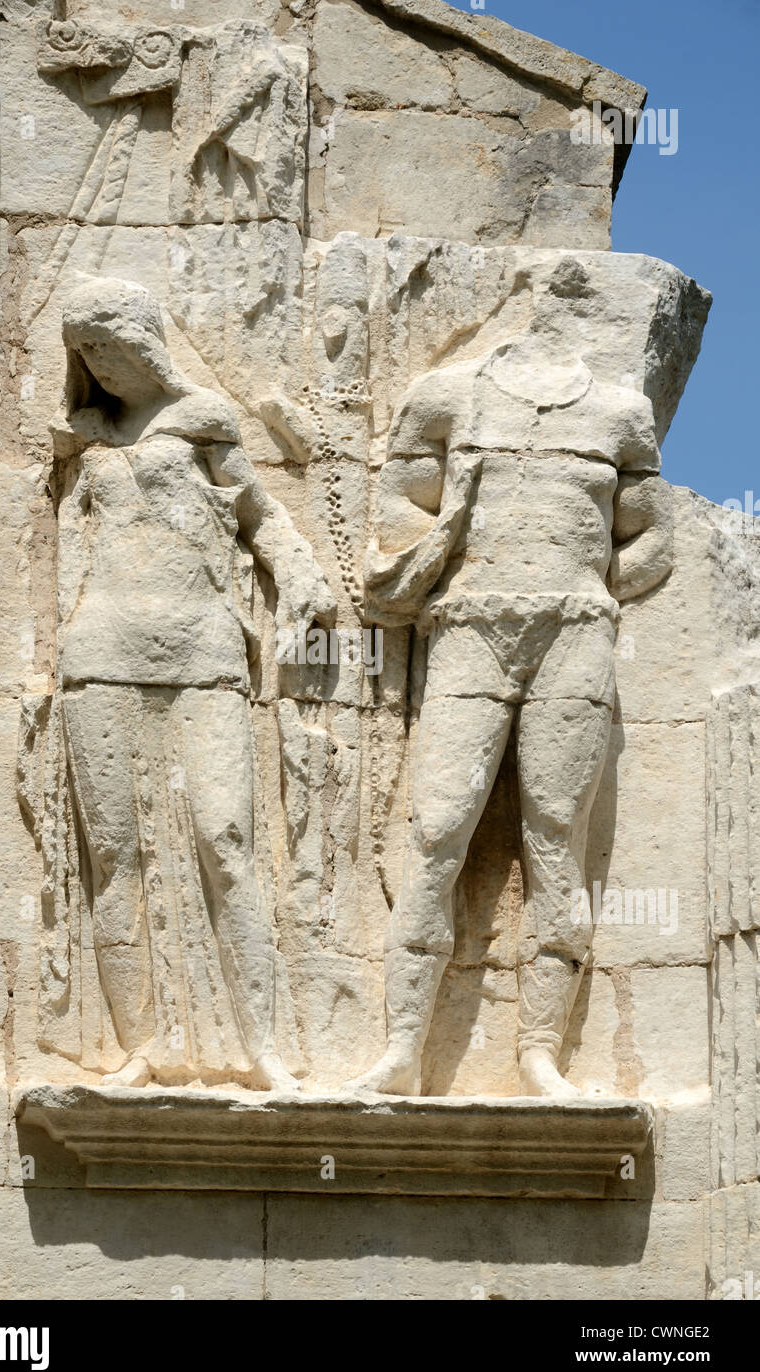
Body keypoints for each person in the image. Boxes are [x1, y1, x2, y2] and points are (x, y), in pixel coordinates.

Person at [345, 321, 673, 1098]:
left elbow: (655, 537)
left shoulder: (621, 412)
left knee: (556, 835)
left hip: (575, 634)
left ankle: (539, 1052)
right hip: (469, 626)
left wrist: (587, 594)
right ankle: (401, 1050)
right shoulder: (446, 396)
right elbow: (397, 513)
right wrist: (449, 550)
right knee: (437, 829)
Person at [36, 276, 335, 1089]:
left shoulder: (203, 418)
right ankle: (144, 1045)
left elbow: (260, 513)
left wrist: (299, 574)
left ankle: (265, 1045)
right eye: (85, 350)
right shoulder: (87, 434)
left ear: (144, 342)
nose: (99, 362)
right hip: (100, 646)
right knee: (115, 855)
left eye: (109, 344)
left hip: (203, 645)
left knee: (226, 843)